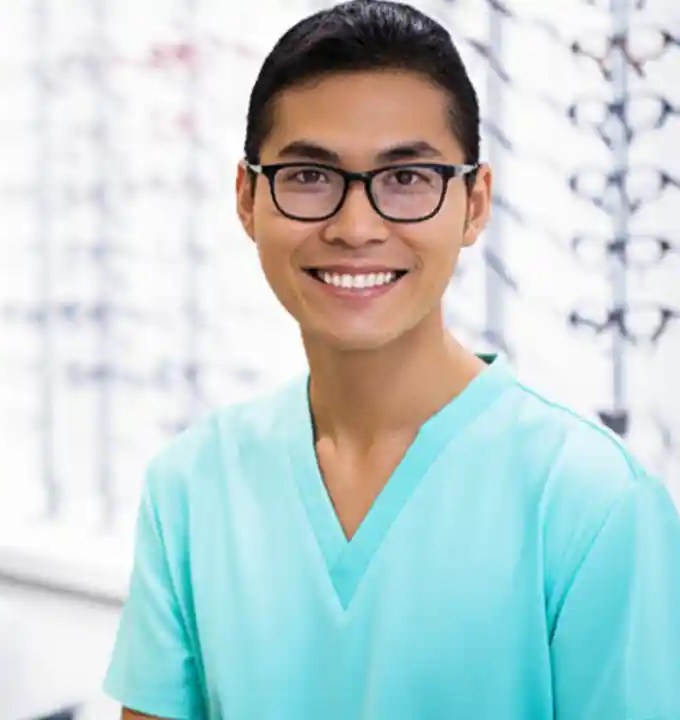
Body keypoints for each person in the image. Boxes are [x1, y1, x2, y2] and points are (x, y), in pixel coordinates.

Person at [102, 2, 680, 718]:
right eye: (310, 176)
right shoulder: (191, 488)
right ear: (248, 198)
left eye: (406, 179)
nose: (355, 227)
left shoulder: (591, 505)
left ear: (474, 204)